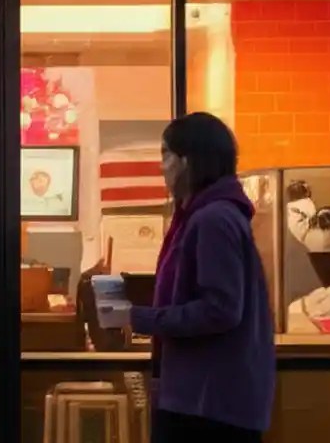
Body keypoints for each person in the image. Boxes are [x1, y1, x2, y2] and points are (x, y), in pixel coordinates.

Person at [104, 112, 275, 442]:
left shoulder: (214, 220)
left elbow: (221, 309)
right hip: (202, 397)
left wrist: (138, 317)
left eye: (165, 154)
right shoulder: (206, 215)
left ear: (187, 161)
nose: (161, 166)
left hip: (209, 403)